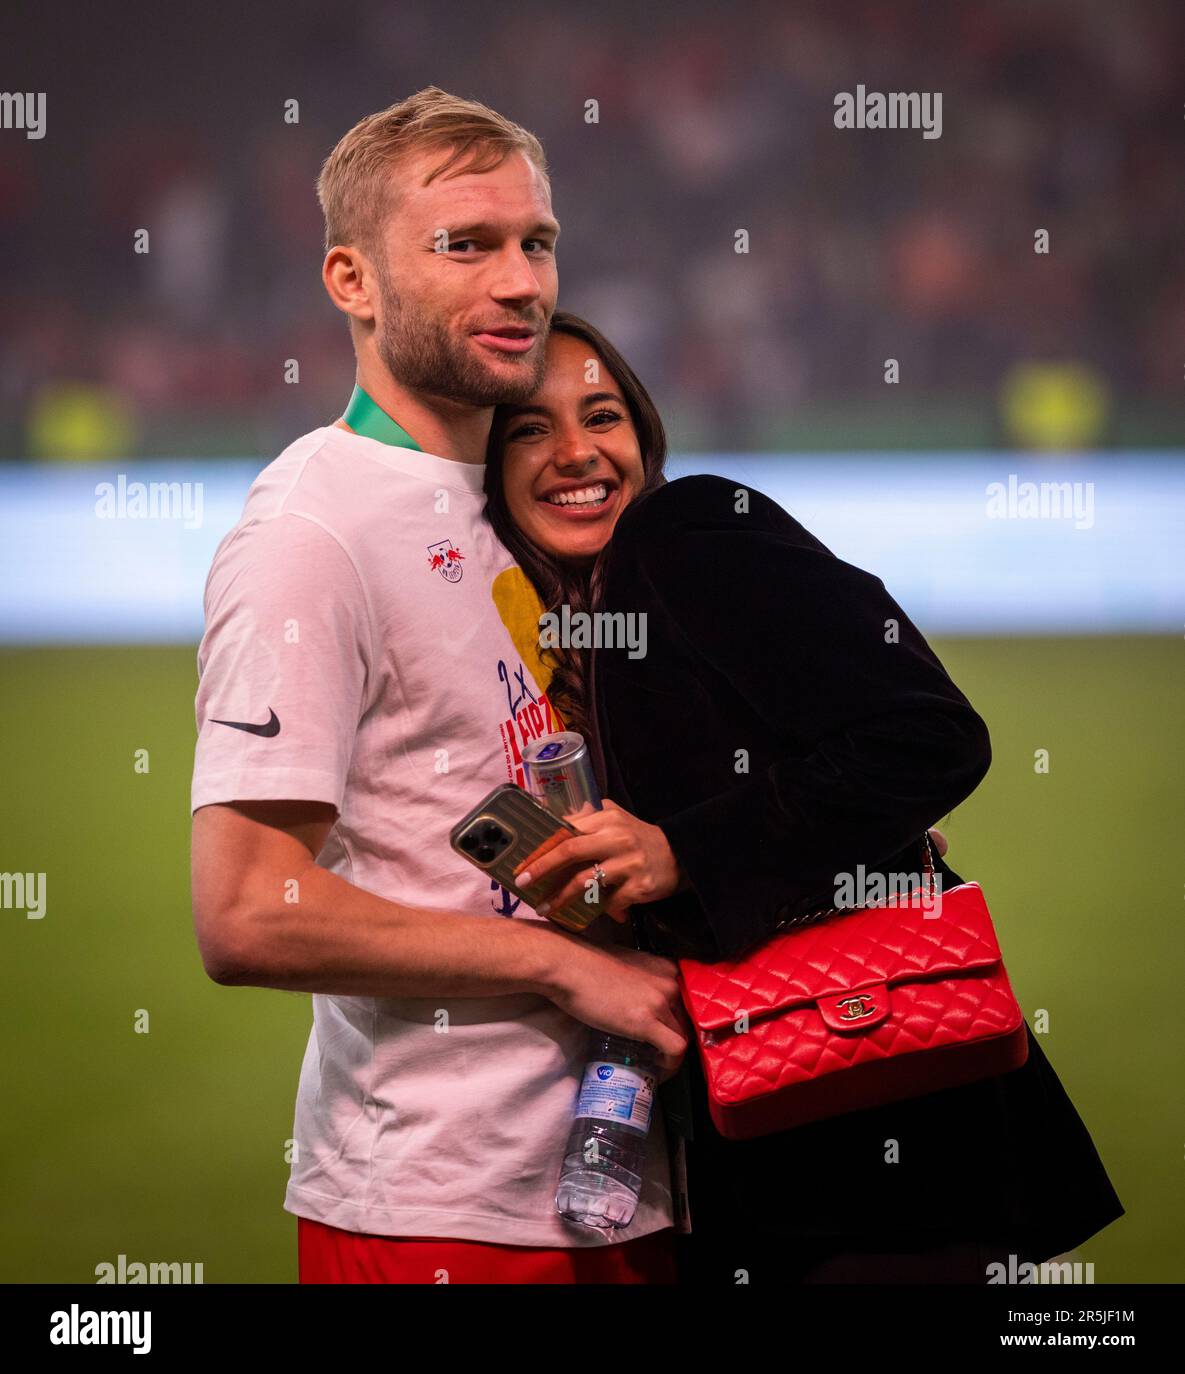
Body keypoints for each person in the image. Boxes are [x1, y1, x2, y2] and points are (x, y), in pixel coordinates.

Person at [483, 309, 1126, 1284]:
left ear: (643, 437)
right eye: (529, 428)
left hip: (880, 1134)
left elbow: (928, 735)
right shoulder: (592, 623)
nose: (577, 450)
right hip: (808, 1119)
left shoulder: (681, 528)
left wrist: (686, 849)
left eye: (603, 415)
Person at [189, 90, 692, 1285]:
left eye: (537, 241)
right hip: (444, 1211)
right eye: (465, 245)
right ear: (351, 281)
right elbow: (247, 911)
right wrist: (562, 964)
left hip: (631, 1170)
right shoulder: (311, 532)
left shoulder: (531, 496)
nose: (521, 281)